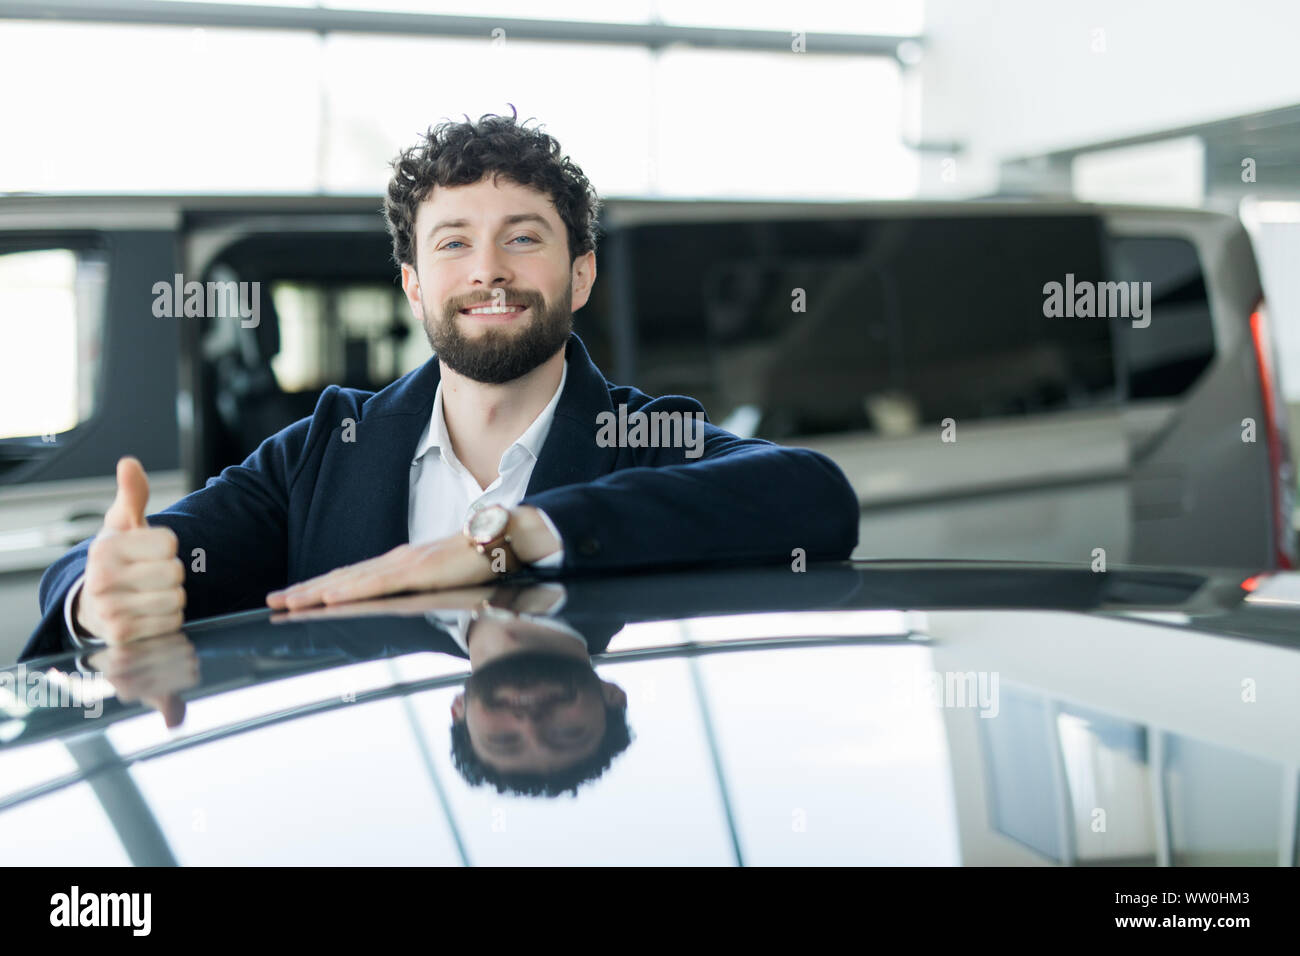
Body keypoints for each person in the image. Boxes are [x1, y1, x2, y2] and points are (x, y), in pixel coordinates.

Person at [20, 107, 859, 662]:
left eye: (524, 239)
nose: (489, 272)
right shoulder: (322, 452)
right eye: (454, 243)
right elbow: (104, 568)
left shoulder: (646, 437)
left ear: (581, 276)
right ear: (415, 284)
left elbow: (814, 496)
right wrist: (99, 596)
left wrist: (517, 535)